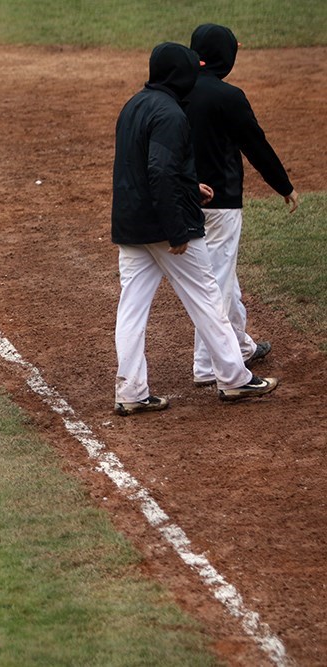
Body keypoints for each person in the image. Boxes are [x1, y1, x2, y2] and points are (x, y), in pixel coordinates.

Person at [110, 43, 279, 416]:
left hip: (131, 225)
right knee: (207, 297)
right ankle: (234, 378)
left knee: (131, 309)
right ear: (180, 75)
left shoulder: (134, 105)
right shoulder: (170, 113)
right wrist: (177, 229)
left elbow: (143, 166)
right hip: (164, 225)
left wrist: (188, 186)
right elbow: (159, 170)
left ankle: (131, 391)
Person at [186, 23, 300, 387]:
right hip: (221, 204)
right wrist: (283, 185)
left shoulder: (175, 90)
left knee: (224, 277)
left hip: (182, 198)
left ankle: (239, 345)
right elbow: (255, 144)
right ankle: (208, 364)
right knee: (217, 282)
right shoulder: (228, 96)